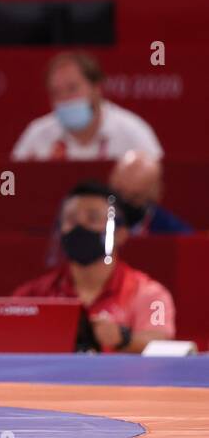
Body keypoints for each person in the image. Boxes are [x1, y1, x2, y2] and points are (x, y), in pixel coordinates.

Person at [13, 181, 177, 353]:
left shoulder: (150, 294)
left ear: (120, 233)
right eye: (71, 219)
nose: (79, 227)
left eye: (92, 218)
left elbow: (161, 343)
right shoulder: (32, 295)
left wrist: (124, 338)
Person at [11, 51, 163, 161]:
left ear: (96, 88)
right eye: (56, 92)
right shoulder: (37, 136)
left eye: (72, 89)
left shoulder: (132, 133)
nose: (64, 99)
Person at [107, 151, 193, 235]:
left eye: (135, 196)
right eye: (119, 193)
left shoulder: (174, 232)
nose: (125, 201)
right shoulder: (99, 224)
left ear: (155, 193)